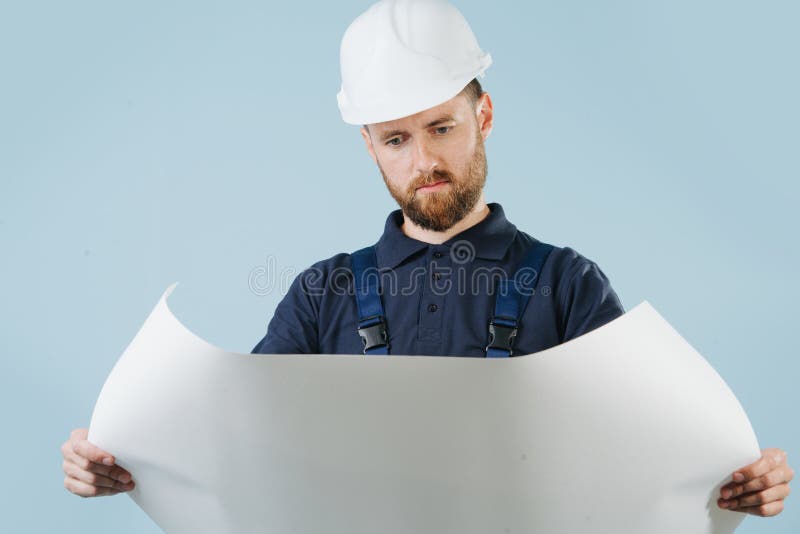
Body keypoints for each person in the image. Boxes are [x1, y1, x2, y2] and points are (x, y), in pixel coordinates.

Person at [62, 0, 792, 518]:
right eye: (396, 139)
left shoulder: (567, 284)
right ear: (369, 146)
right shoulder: (322, 294)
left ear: (484, 115)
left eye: (441, 127)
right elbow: (236, 445)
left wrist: (738, 481)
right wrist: (123, 463)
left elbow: (648, 446)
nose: (424, 162)